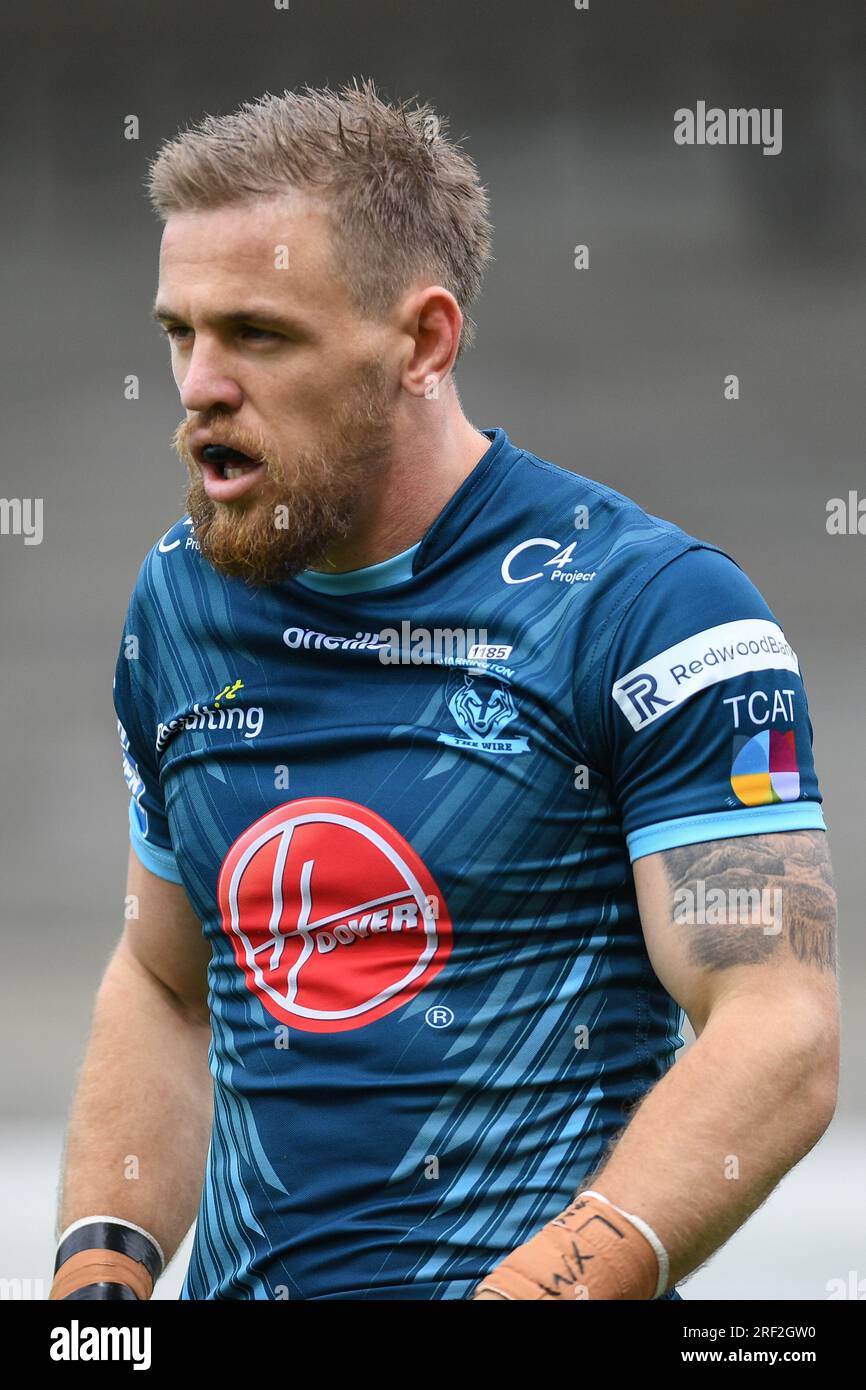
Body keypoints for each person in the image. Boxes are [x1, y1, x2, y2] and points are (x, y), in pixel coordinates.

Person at [51, 81, 839, 1302]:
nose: (199, 382)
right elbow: (164, 979)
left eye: (257, 334)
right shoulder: (182, 599)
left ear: (421, 342)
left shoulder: (653, 608)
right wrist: (96, 1283)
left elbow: (775, 1028)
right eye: (179, 332)